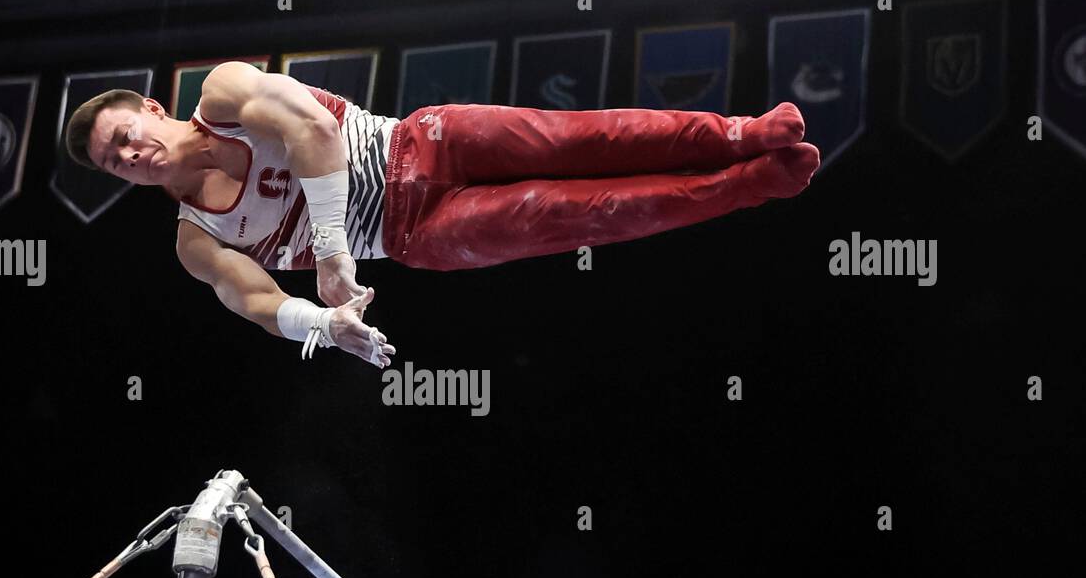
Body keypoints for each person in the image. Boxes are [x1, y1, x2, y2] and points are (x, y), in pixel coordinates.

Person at [64, 61, 819, 368]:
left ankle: (741, 134)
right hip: (415, 234)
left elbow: (316, 131)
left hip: (425, 144)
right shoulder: (196, 240)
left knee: (582, 137)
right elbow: (255, 300)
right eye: (113, 161)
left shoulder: (223, 94)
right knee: (588, 212)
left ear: (154, 110)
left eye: (126, 135)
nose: (130, 155)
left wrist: (329, 252)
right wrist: (327, 327)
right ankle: (746, 185)